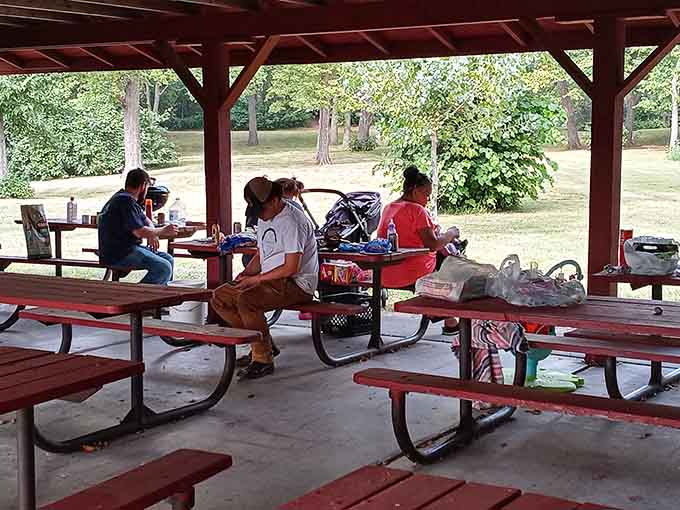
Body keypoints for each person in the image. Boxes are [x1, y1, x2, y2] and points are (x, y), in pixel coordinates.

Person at [211, 176, 319, 380]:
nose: (259, 215)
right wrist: (247, 274)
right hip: (270, 280)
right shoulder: (265, 216)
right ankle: (263, 343)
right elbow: (262, 253)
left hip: (297, 283)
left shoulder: (292, 221)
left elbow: (290, 268)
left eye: (261, 210)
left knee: (248, 300)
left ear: (275, 201)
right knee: (220, 296)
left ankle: (262, 359)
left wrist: (255, 280)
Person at [376, 166, 460, 334]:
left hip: (385, 272)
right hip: (411, 272)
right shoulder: (417, 210)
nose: (427, 200)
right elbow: (433, 244)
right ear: (414, 190)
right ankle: (446, 317)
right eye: (425, 194)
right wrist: (451, 234)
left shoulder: (389, 207)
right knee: (454, 263)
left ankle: (448, 320)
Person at [98, 168, 178, 285]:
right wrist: (163, 231)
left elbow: (146, 220)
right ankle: (139, 298)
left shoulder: (125, 198)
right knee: (163, 267)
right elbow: (139, 232)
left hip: (126, 249)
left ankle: (162, 298)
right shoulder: (125, 202)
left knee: (168, 259)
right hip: (119, 253)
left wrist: (153, 234)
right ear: (143, 186)